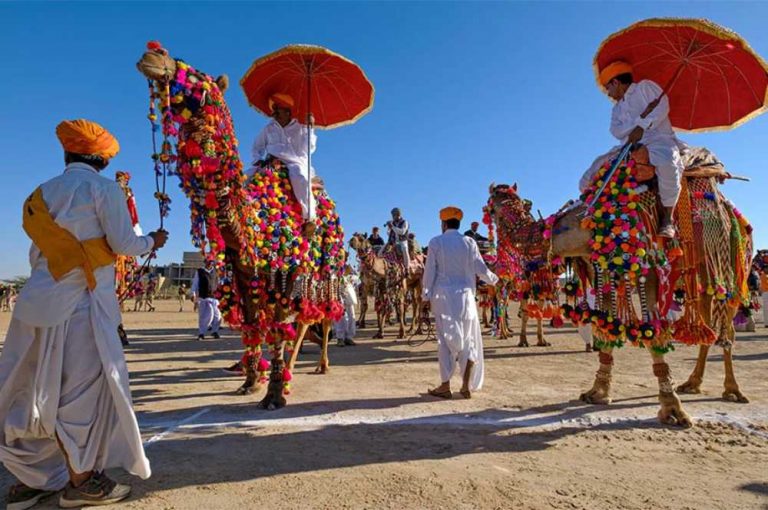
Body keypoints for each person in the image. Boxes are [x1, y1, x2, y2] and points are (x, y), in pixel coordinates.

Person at [0, 119, 168, 509]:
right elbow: (124, 243)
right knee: (78, 394)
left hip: (35, 305)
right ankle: (81, 481)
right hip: (81, 307)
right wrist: (153, 241)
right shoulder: (104, 190)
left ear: (67, 153)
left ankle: (32, 479)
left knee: (30, 388)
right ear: (103, 160)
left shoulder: (39, 195)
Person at [579, 61, 684, 238]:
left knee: (667, 162)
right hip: (627, 146)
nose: (609, 93)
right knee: (592, 173)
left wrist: (644, 124)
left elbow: (662, 107)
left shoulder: (645, 87)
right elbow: (616, 131)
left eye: (608, 88)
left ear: (615, 82)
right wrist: (638, 122)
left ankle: (668, 217)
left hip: (659, 140)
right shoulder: (617, 109)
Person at [421, 206, 498, 399]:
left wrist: (425, 297)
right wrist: (494, 280)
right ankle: (465, 386)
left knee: (445, 342)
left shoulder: (435, 242)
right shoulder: (469, 242)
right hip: (465, 298)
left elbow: (429, 272)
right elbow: (480, 268)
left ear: (443, 223)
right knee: (468, 339)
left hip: (442, 298)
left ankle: (445, 386)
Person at [250, 93, 317, 236]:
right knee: (247, 176)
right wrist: (258, 160)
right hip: (271, 162)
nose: (275, 114)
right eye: (274, 111)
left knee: (301, 178)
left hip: (294, 163)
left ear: (287, 112)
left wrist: (310, 129)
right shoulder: (269, 128)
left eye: (278, 111)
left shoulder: (301, 127)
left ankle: (309, 218)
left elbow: (309, 149)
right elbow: (257, 147)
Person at [191, 261, 221, 340]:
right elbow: (195, 283)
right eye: (208, 262)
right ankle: (201, 333)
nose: (210, 264)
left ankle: (215, 331)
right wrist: (193, 294)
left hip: (215, 297)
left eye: (211, 262)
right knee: (205, 316)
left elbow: (219, 282)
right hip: (204, 297)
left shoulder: (216, 271)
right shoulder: (200, 271)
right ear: (205, 262)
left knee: (217, 316)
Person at [335, 265, 359, 346]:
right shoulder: (333, 267)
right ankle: (340, 338)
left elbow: (357, 277)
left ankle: (349, 337)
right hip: (338, 294)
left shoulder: (348, 267)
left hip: (349, 295)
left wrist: (349, 277)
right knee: (339, 317)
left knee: (351, 316)